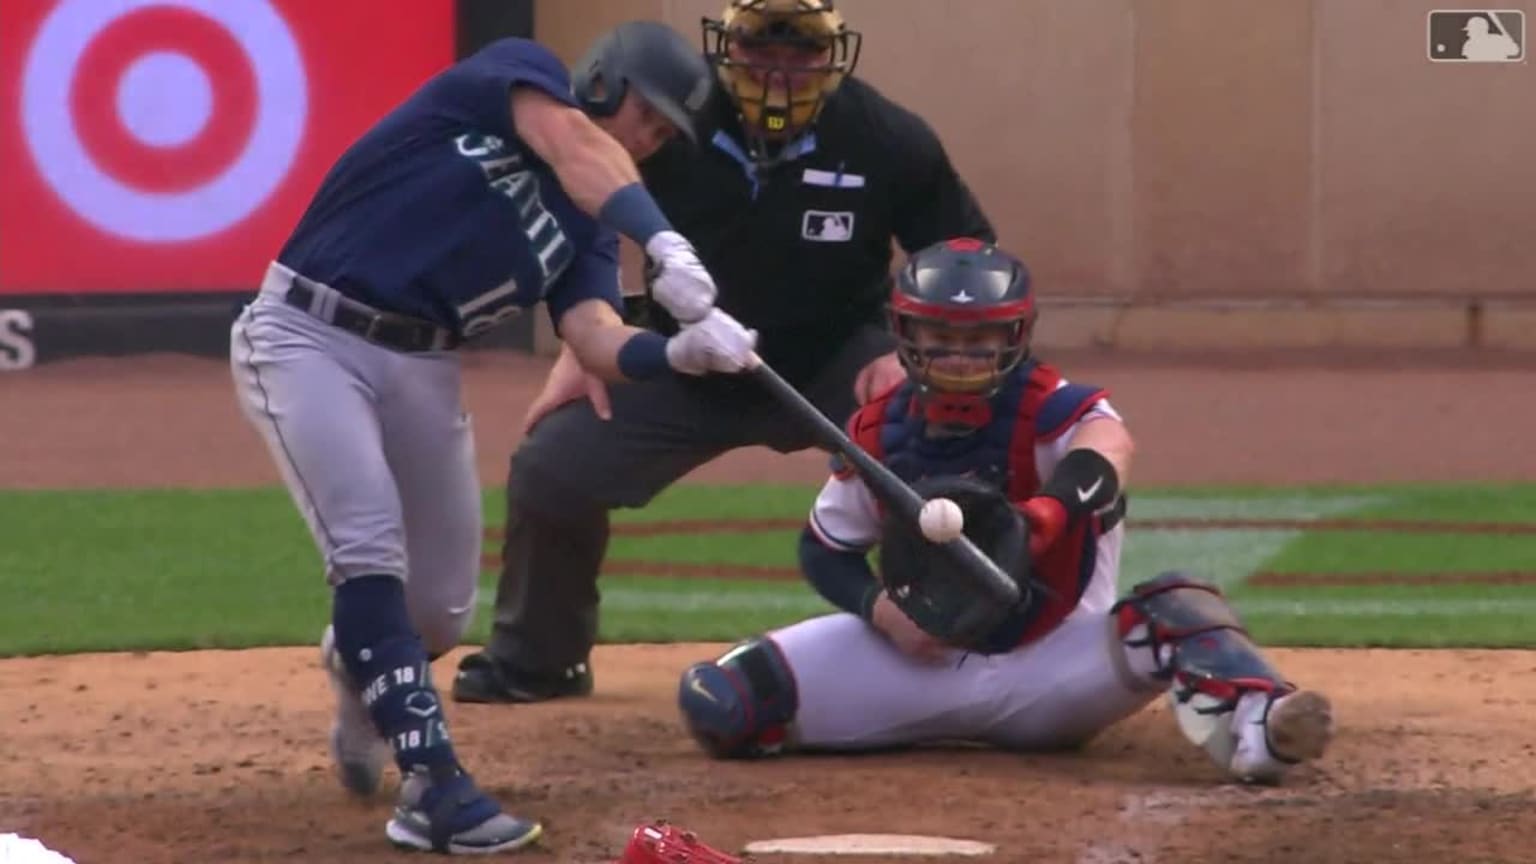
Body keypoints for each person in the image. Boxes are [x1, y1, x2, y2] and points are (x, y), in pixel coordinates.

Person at [229, 21, 757, 856]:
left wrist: (677, 354)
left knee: (438, 611)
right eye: (646, 116)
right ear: (605, 81)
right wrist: (664, 240)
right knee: (368, 548)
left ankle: (359, 668)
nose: (647, 140)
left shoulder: (588, 230)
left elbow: (594, 337)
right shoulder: (518, 77)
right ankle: (433, 789)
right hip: (307, 333)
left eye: (664, 135)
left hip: (423, 363)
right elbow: (574, 143)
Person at [452, 0, 997, 706]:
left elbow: (966, 255)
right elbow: (588, 223)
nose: (779, 68)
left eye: (801, 49)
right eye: (760, 46)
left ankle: (961, 642)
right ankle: (539, 659)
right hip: (687, 357)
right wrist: (585, 345)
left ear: (833, 52)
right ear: (727, 45)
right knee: (553, 467)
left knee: (941, 450)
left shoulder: (887, 139)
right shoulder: (671, 123)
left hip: (839, 359)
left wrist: (907, 352)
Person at [675, 238, 1335, 785]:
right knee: (722, 699)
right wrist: (883, 613)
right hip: (917, 666)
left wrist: (1048, 514)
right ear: (905, 333)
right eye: (941, 335)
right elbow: (824, 549)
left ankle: (1260, 726)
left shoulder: (1054, 408)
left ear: (1015, 335)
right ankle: (864, 735)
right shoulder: (877, 432)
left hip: (1055, 668)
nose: (961, 355)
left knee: (1175, 605)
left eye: (981, 337)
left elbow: (1110, 446)